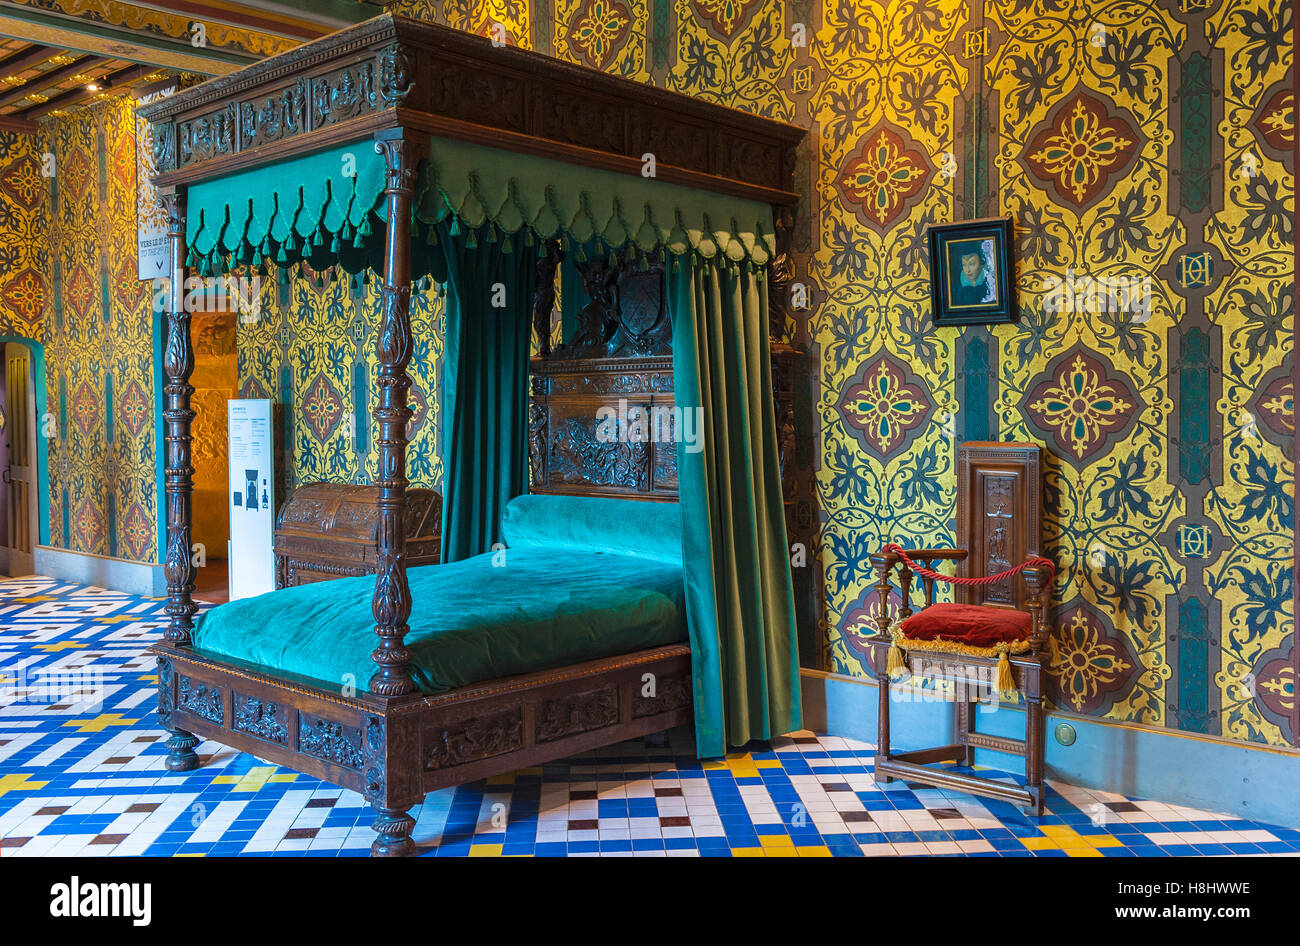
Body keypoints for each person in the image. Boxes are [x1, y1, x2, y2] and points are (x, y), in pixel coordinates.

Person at [950, 242, 996, 307]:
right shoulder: (957, 288)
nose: (968, 270)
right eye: (964, 264)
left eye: (971, 264)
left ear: (981, 264)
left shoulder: (990, 285)